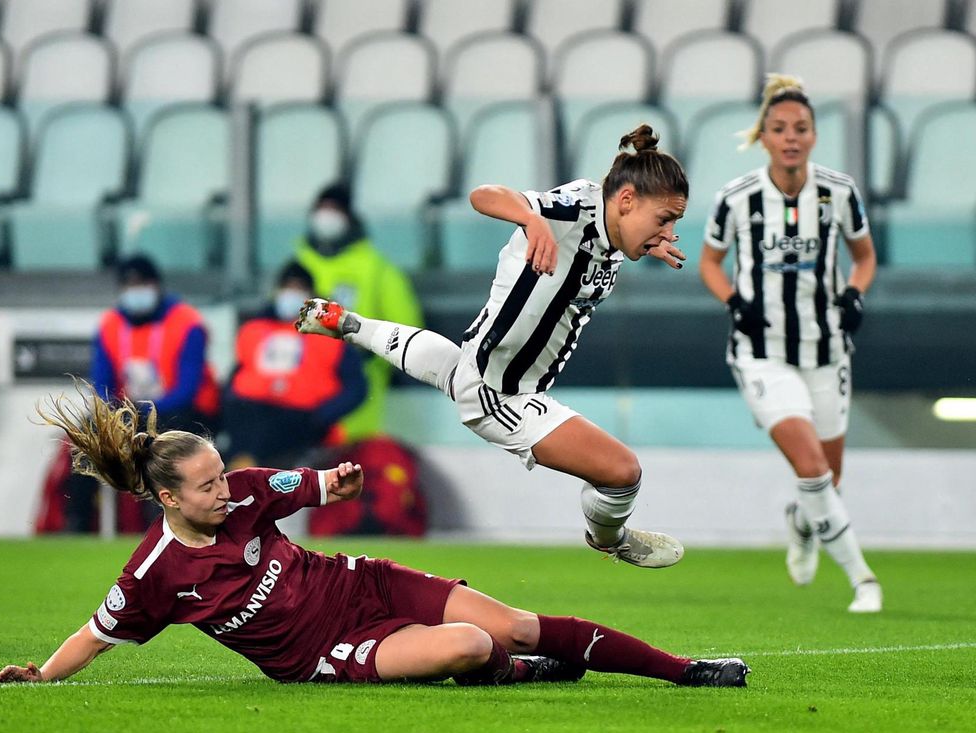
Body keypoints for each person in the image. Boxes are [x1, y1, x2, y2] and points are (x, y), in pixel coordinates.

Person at [0, 388, 749, 688]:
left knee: (516, 622)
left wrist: (343, 482)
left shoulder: (248, 490)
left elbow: (316, 483)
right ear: (168, 499)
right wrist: (42, 676)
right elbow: (95, 636)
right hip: (324, 654)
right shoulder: (153, 574)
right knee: (471, 646)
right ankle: (517, 673)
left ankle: (686, 671)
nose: (226, 491)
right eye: (208, 486)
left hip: (363, 583)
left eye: (223, 475)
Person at [296, 125, 690, 568]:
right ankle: (610, 538)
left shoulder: (610, 231)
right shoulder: (572, 211)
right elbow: (483, 195)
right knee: (622, 473)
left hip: (495, 371)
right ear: (627, 200)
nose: (669, 231)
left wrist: (642, 239)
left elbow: (605, 243)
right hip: (504, 395)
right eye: (664, 219)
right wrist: (532, 219)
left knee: (454, 371)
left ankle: (348, 323)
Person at [697, 74, 883, 613]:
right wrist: (735, 302)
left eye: (800, 128)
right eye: (779, 128)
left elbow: (865, 256)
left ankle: (803, 524)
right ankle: (863, 579)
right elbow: (709, 263)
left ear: (814, 135)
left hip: (826, 351)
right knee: (812, 466)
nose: (791, 138)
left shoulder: (839, 191)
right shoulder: (737, 198)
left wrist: (854, 293)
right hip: (763, 352)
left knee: (828, 477)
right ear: (764, 137)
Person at [60, 254, 221, 532]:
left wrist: (141, 412)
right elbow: (102, 385)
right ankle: (77, 522)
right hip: (131, 413)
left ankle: (161, 526)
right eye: (129, 285)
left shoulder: (187, 323)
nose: (136, 291)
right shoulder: (109, 325)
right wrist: (118, 413)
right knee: (86, 435)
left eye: (141, 284)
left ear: (156, 285)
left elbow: (187, 390)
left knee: (163, 442)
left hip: (181, 414)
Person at [295, 183, 423, 441]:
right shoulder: (299, 266)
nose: (326, 216)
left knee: (352, 459)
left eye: (334, 209)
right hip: (303, 393)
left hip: (359, 392)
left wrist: (368, 349)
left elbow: (407, 329)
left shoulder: (376, 269)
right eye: (321, 208)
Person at [223, 261, 367, 468]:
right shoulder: (254, 329)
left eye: (299, 288)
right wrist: (231, 401)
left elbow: (356, 388)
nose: (291, 294)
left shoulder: (331, 334)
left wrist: (320, 417)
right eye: (287, 287)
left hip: (301, 421)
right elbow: (237, 374)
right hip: (251, 414)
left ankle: (246, 467)